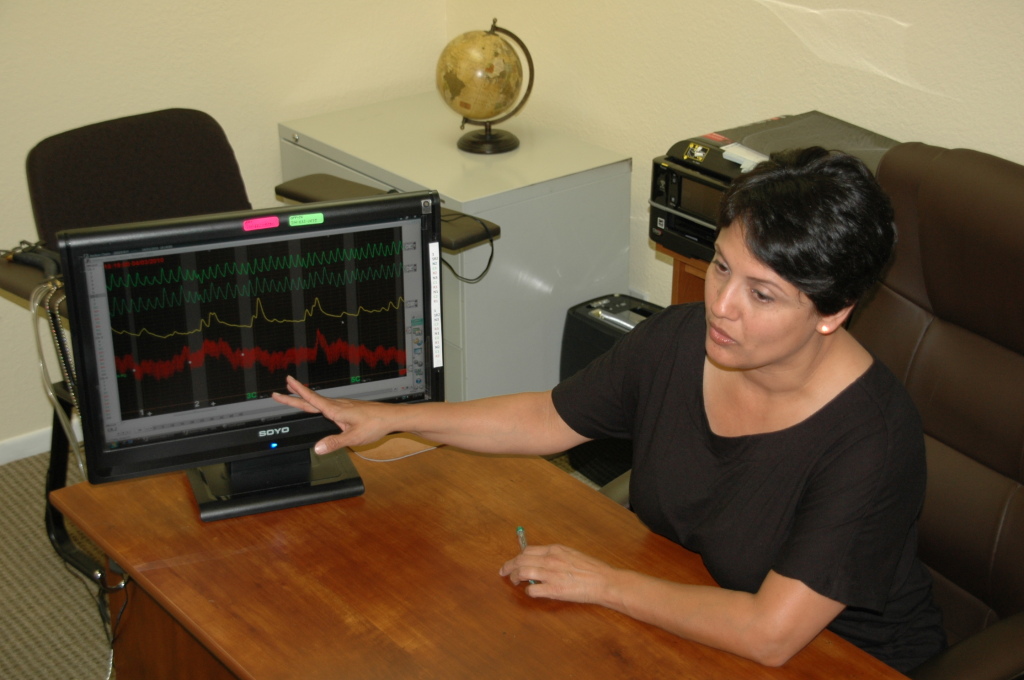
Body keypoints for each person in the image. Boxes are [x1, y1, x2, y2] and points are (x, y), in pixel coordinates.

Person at [273, 147, 946, 673]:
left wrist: (604, 584)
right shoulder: (680, 341)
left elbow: (770, 634)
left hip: (844, 660)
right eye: (720, 267)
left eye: (762, 294)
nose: (721, 305)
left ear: (833, 312)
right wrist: (399, 417)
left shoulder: (871, 439)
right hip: (696, 611)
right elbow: (546, 418)